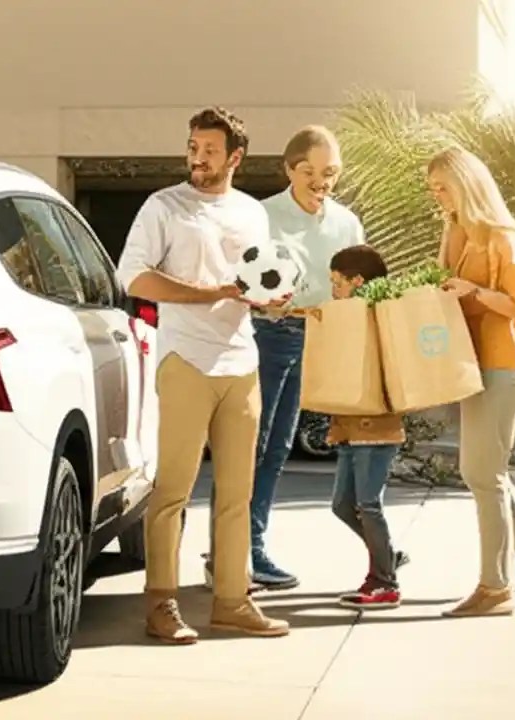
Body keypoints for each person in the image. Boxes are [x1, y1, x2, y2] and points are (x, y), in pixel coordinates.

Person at [116, 107, 290, 644]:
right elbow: (135, 278)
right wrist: (211, 293)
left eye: (209, 149)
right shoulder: (164, 206)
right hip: (186, 359)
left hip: (242, 363)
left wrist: (272, 304)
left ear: (234, 157)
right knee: (173, 489)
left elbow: (253, 287)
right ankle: (161, 603)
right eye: (193, 146)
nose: (197, 156)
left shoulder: (252, 213)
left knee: (238, 492)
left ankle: (232, 601)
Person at [203, 126, 366, 591]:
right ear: (289, 170)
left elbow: (355, 285)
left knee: (276, 449)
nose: (321, 181)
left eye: (330, 172)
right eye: (309, 171)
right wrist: (262, 300)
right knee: (247, 446)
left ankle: (251, 548)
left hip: (317, 338)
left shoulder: (346, 223)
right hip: (268, 336)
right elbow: (235, 275)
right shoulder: (261, 215)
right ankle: (227, 556)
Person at [428, 146, 515, 616]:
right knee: (483, 472)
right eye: (433, 189)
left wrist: (476, 292)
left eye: (443, 186)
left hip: (504, 366)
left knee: (484, 474)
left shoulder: (507, 237)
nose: (437, 196)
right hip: (469, 364)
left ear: (467, 183)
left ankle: (495, 588)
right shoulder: (456, 234)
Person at [315, 246, 409, 609]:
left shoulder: (383, 317)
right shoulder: (347, 318)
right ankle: (387, 554)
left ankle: (384, 582)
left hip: (378, 426)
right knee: (342, 505)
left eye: (337, 283)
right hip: (352, 427)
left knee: (368, 503)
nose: (333, 289)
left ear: (358, 281)